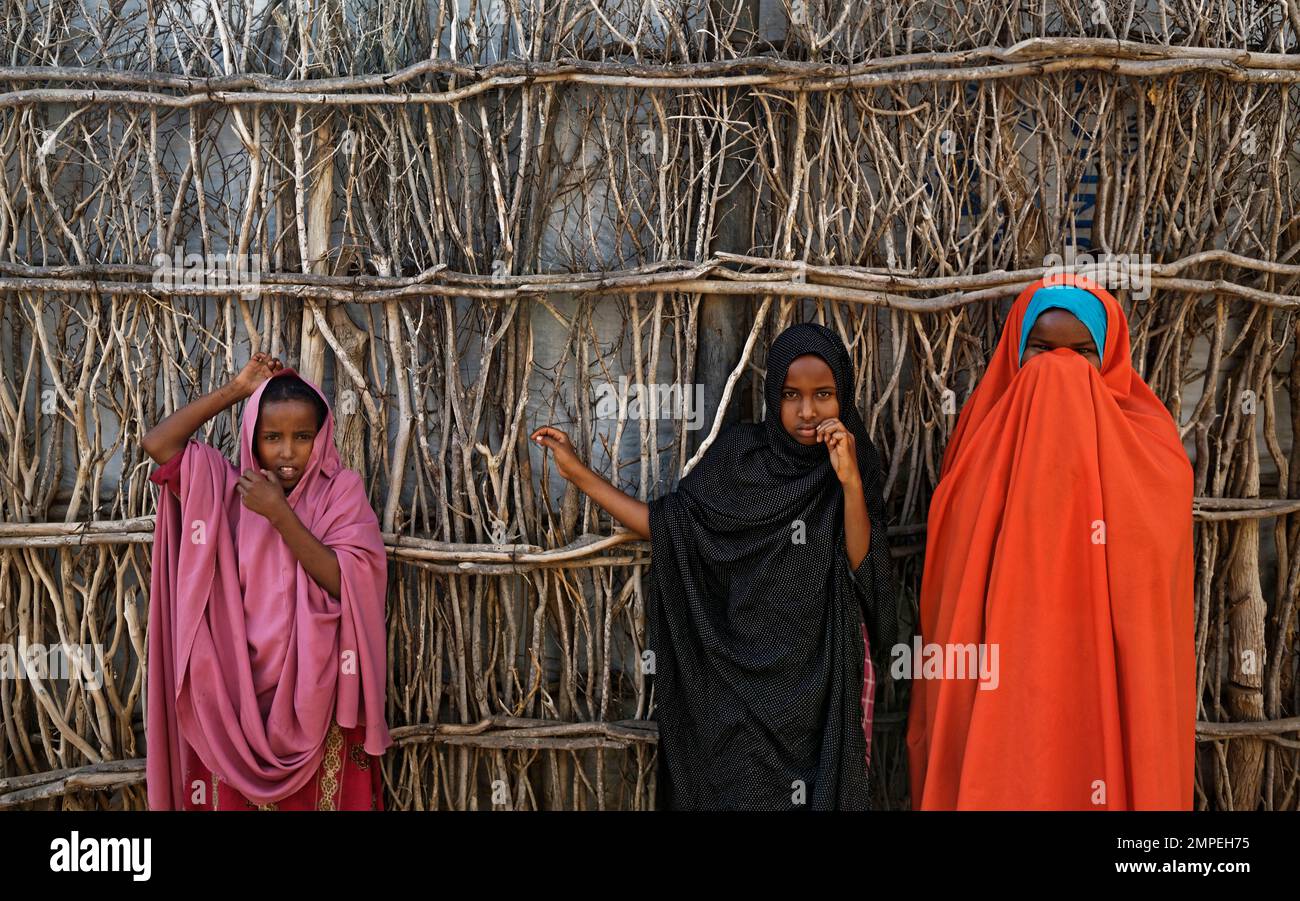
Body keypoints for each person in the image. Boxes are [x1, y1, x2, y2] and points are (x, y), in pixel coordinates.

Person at [531, 322, 897, 810]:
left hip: (821, 689)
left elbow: (862, 565)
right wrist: (579, 474)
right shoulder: (742, 458)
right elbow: (670, 526)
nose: (808, 411)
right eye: (791, 395)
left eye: (824, 395)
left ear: (843, 396)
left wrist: (849, 482)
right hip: (737, 689)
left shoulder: (855, 462)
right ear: (773, 395)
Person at [907, 274, 1195, 810]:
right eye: (1041, 350)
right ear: (1016, 353)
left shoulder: (1153, 452)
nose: (1060, 370)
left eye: (1081, 353)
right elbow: (955, 578)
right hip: (1001, 678)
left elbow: (1154, 579)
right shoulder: (979, 440)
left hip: (1105, 678)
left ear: (1108, 357)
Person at [143, 353, 391, 810]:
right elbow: (159, 443)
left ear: (322, 439)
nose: (287, 451)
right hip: (235, 698)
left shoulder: (341, 492)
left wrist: (280, 514)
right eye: (271, 436)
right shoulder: (226, 489)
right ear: (252, 438)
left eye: (303, 437)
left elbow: (348, 581)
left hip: (317, 695)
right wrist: (238, 390)